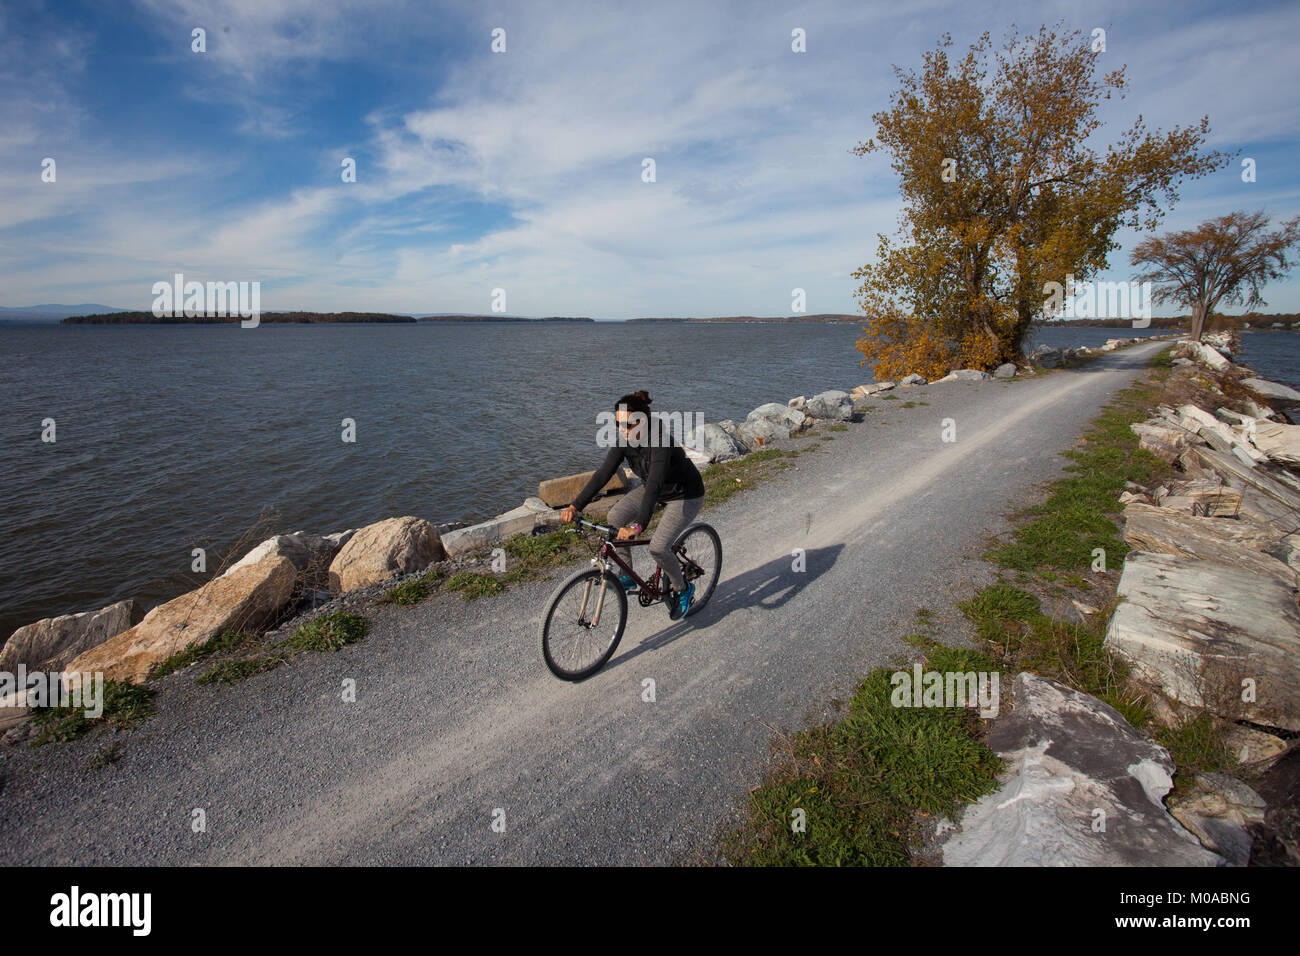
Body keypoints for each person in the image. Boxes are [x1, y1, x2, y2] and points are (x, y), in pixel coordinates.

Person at [560, 390, 705, 620]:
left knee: (658, 547)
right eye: (617, 423)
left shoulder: (659, 441)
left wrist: (638, 527)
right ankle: (626, 575)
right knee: (615, 518)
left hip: (684, 494)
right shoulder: (625, 441)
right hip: (654, 490)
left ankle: (683, 588)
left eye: (627, 424)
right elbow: (603, 474)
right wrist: (575, 506)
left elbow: (655, 483)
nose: (621, 428)